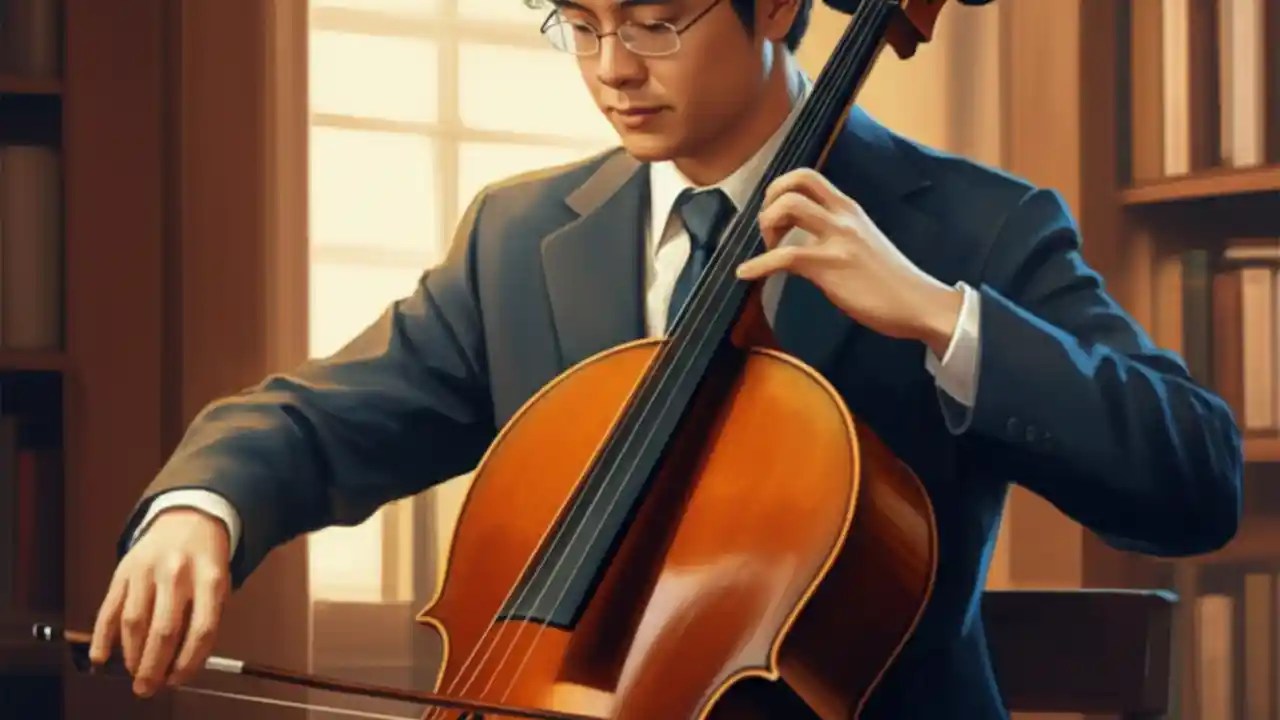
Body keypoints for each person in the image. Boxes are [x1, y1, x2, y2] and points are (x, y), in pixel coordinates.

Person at [88, 0, 1244, 717]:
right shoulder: (520, 237)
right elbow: (335, 410)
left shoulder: (971, 229)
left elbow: (1195, 478)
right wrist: (206, 506)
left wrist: (943, 318)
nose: (610, 68)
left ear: (777, 5)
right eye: (577, 23)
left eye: (652, 20)